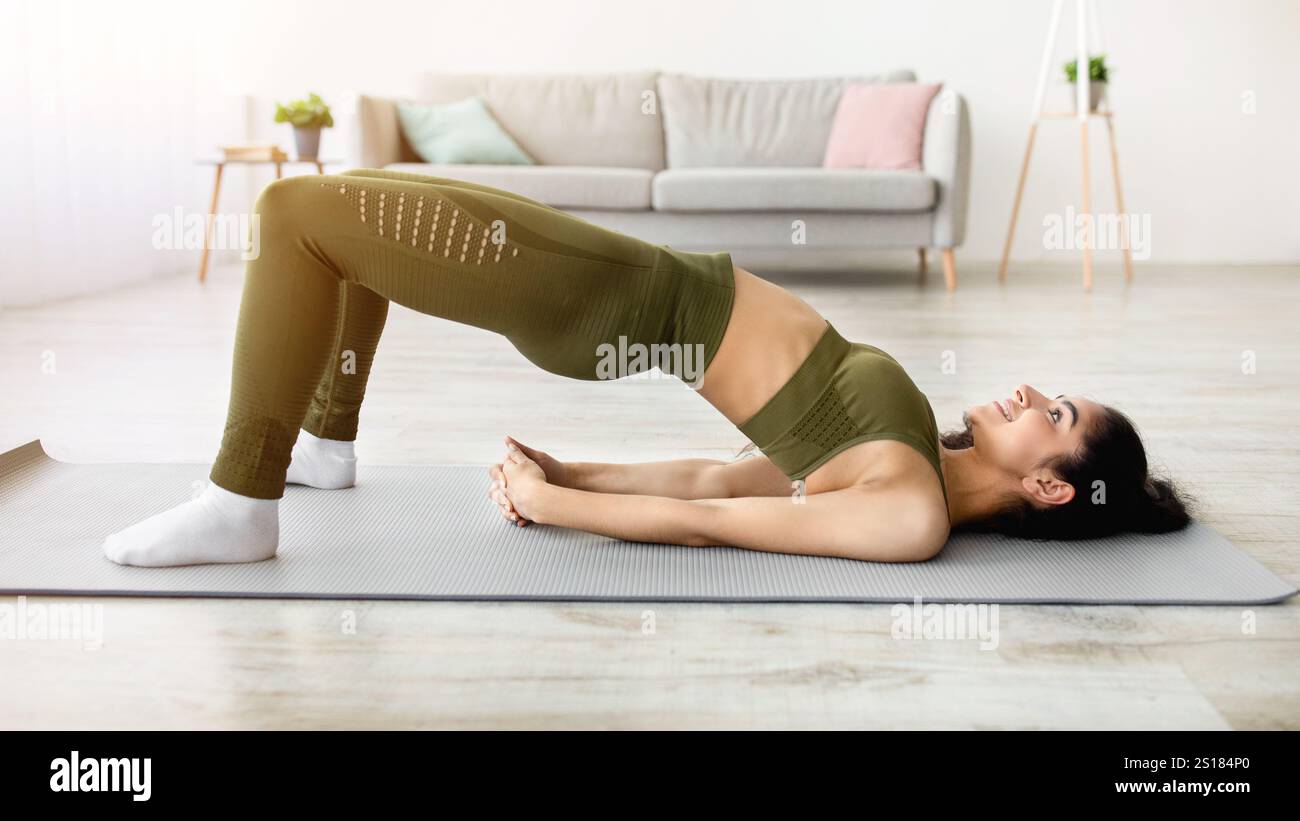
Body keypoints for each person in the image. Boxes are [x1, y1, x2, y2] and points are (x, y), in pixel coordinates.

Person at [102, 168, 1190, 567]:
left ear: (1051, 482)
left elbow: (717, 528)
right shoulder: (908, 467)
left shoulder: (906, 515)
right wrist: (573, 470)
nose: (1025, 391)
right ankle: (324, 448)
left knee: (294, 211)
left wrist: (557, 509)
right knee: (353, 205)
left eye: (1052, 411)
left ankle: (240, 496)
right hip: (629, 275)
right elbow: (723, 479)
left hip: (608, 299)